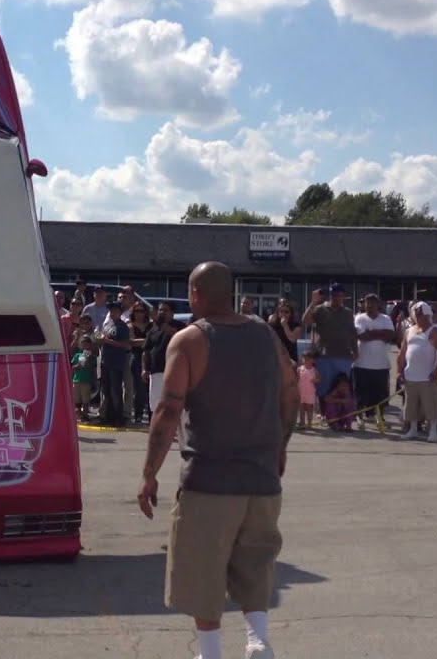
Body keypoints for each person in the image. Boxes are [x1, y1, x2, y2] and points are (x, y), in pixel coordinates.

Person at [138, 261, 298, 659]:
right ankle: (257, 639)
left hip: (209, 480)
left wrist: (149, 474)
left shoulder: (190, 340)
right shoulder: (265, 333)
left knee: (201, 567)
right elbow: (292, 389)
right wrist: (281, 444)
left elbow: (169, 410)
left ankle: (210, 652)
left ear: (194, 295)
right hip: (262, 479)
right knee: (255, 561)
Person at [398, 302, 437, 442]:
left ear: (427, 314)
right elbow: (402, 353)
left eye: (420, 313)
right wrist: (399, 371)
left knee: (430, 405)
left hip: (427, 376)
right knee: (411, 405)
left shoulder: (434, 331)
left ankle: (432, 431)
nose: (418, 316)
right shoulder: (409, 331)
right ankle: (413, 430)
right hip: (410, 375)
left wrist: (436, 370)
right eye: (416, 313)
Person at [301, 283, 357, 403]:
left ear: (343, 297)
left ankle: (338, 415)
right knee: (323, 387)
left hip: (344, 355)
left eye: (340, 295)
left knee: (341, 387)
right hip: (324, 355)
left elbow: (352, 333)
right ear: (330, 295)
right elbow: (306, 320)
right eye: (334, 295)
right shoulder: (320, 309)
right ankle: (324, 413)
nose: (337, 297)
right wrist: (313, 302)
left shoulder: (348, 312)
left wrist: (355, 350)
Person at [352, 294, 395, 428]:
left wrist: (372, 332)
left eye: (372, 303)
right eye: (367, 303)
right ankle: (359, 417)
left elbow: (390, 335)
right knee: (361, 393)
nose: (369, 305)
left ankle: (380, 416)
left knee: (380, 394)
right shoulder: (359, 318)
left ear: (378, 304)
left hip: (381, 364)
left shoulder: (386, 318)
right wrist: (380, 334)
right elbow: (361, 336)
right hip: (361, 363)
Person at [142, 302, 185, 421]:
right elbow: (146, 350)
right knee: (155, 402)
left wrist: (171, 331)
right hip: (156, 370)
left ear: (172, 313)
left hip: (174, 370)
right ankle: (157, 426)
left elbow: (186, 344)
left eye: (165, 310)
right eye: (160, 310)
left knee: (172, 401)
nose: (161, 313)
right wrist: (145, 369)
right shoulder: (153, 327)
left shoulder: (180, 326)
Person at [98, 301, 131, 427]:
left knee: (115, 390)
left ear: (120, 312)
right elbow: (102, 338)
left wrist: (107, 341)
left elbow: (124, 344)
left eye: (115, 310)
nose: (113, 313)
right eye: (111, 310)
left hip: (116, 362)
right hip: (105, 361)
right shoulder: (108, 325)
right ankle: (108, 416)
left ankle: (119, 417)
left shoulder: (122, 326)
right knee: (106, 390)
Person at [72, 336, 98, 423]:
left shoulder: (92, 357)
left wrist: (87, 362)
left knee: (85, 400)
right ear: (80, 345)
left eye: (87, 344)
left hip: (86, 381)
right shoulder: (77, 355)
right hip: (76, 380)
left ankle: (85, 415)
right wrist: (78, 365)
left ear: (90, 345)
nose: (85, 346)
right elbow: (73, 367)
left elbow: (93, 369)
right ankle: (79, 414)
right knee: (77, 399)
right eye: (83, 344)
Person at [297, 349, 320, 430]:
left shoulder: (314, 370)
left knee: (310, 408)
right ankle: (302, 422)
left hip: (310, 393)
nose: (306, 361)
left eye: (308, 359)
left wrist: (315, 380)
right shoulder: (300, 369)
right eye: (304, 359)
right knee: (301, 408)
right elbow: (296, 379)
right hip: (301, 392)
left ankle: (309, 423)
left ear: (313, 360)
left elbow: (319, 379)